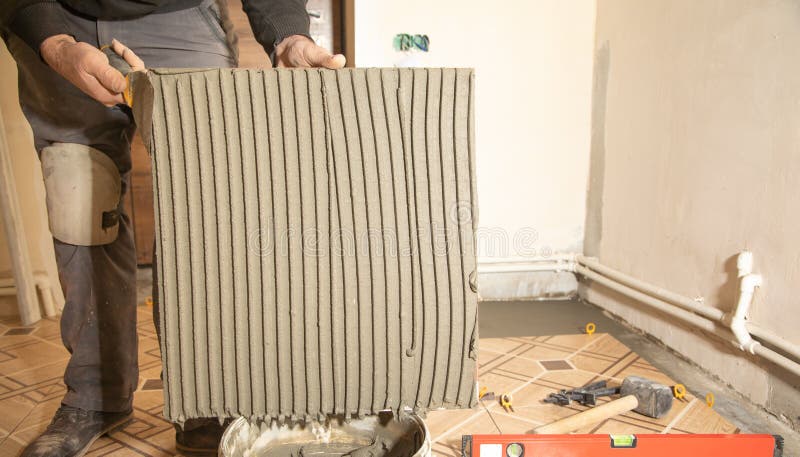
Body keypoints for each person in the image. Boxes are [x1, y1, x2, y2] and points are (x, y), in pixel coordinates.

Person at [1, 1, 345, 456]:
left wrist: (288, 34)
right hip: (58, 14)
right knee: (78, 197)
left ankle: (204, 401)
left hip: (177, 16)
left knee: (201, 217)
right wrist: (53, 40)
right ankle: (96, 397)